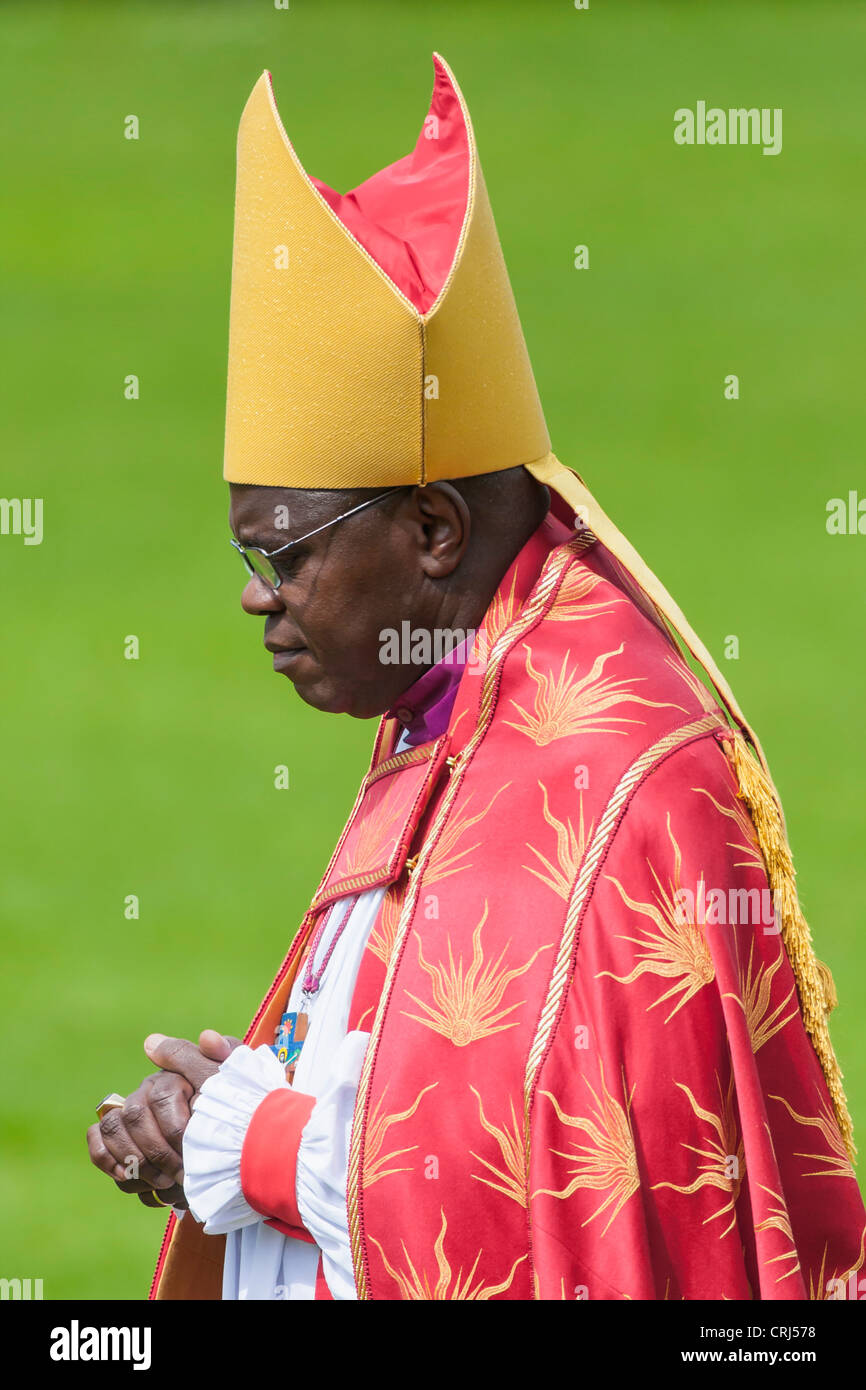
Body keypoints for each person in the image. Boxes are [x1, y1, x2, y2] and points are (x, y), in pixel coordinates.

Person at [88, 54, 865, 1301]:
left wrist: (261, 1143)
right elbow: (432, 1077)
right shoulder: (446, 705)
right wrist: (223, 1120)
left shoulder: (621, 788)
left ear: (435, 530)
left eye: (279, 551)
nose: (254, 594)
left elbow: (604, 1217)